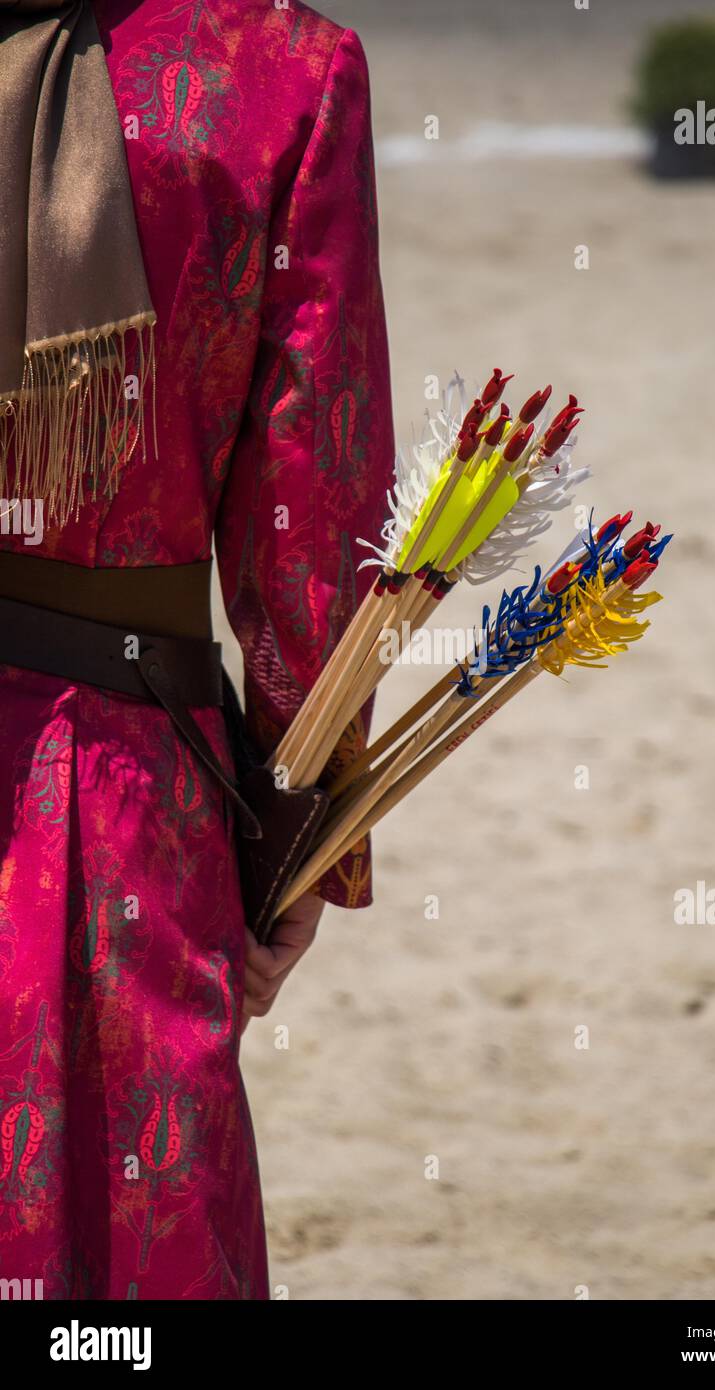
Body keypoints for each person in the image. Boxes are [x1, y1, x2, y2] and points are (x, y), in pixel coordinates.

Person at [0, 0, 394, 1299]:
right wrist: (303, 830)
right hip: (120, 775)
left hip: (107, 759)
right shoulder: (278, 73)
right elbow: (313, 505)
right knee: (134, 1234)